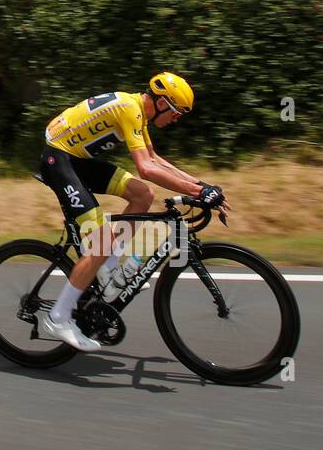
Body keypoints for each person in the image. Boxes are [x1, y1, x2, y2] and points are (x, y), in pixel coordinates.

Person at [37, 71, 228, 351]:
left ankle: (109, 269)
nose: (176, 119)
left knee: (143, 194)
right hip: (59, 160)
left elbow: (154, 159)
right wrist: (197, 193)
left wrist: (199, 184)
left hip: (77, 160)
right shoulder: (130, 108)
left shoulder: (137, 109)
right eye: (176, 112)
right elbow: (146, 169)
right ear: (162, 102)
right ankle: (58, 317)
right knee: (100, 242)